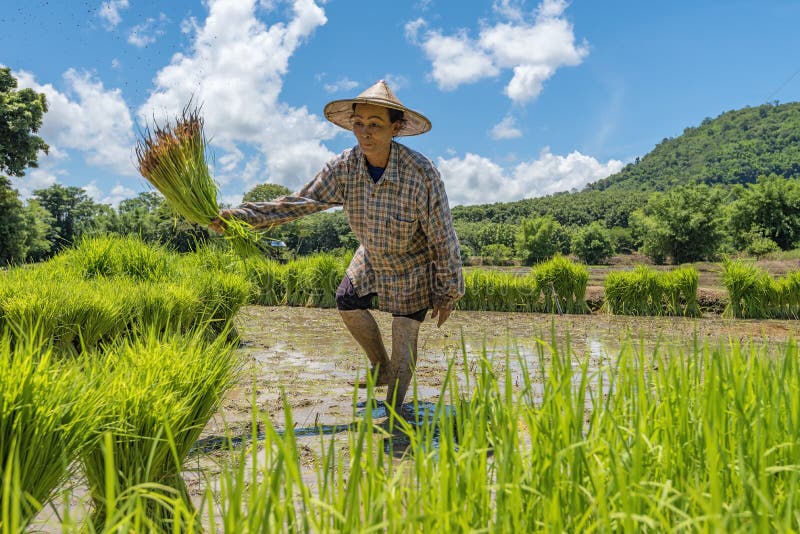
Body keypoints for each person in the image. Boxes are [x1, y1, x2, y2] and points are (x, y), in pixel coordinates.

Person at [210, 80, 464, 411]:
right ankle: (380, 366)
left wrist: (447, 291)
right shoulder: (344, 167)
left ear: (396, 128)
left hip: (412, 263)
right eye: (359, 124)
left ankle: (394, 412)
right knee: (347, 300)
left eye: (375, 125)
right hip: (372, 253)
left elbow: (443, 236)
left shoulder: (421, 174)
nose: (365, 133)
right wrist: (241, 218)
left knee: (404, 335)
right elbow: (299, 202)